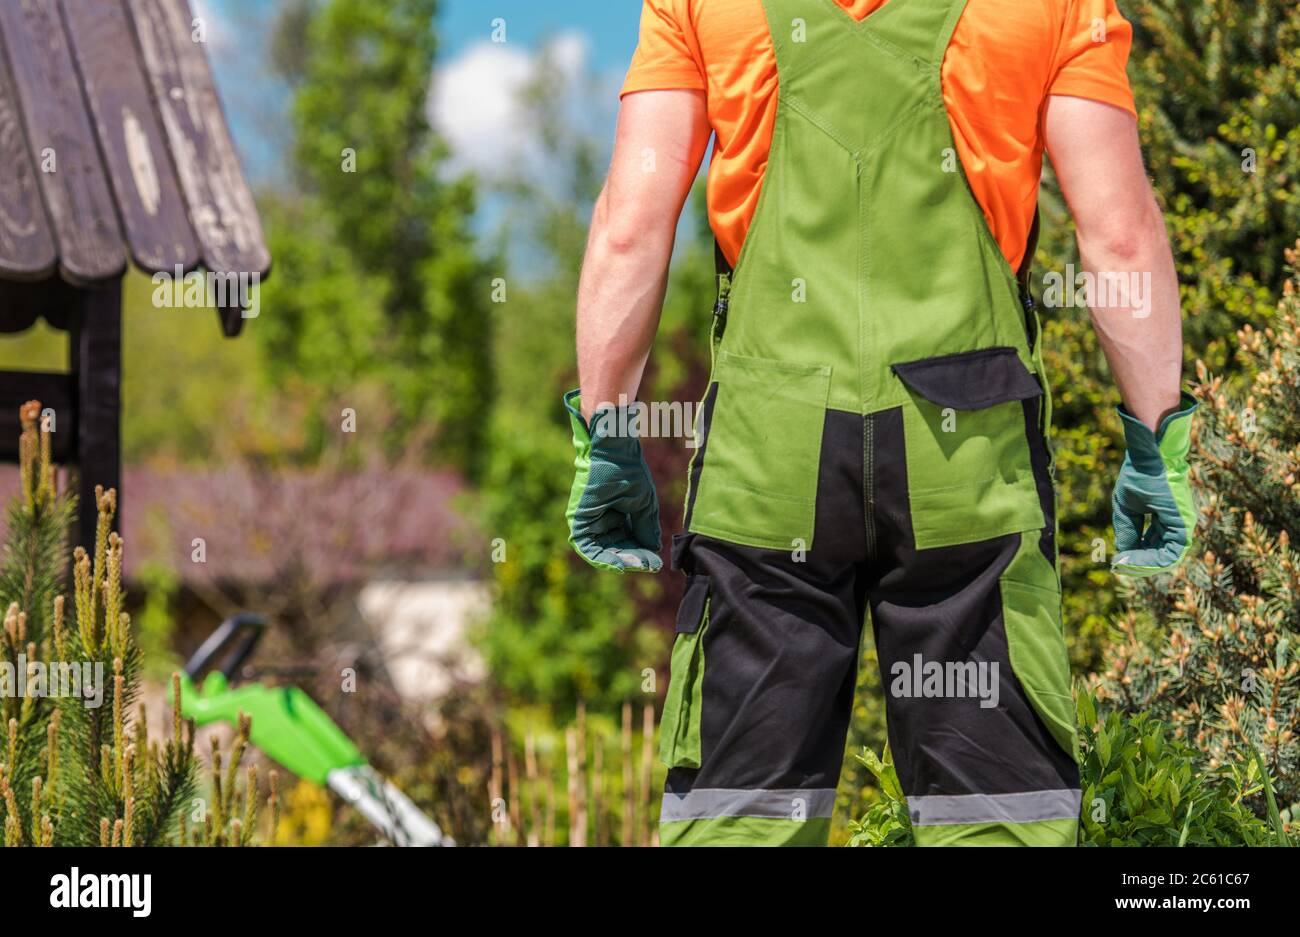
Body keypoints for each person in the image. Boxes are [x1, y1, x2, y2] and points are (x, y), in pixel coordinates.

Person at [564, 0, 1196, 846]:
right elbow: (1119, 238)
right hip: (965, 455)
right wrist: (1155, 445)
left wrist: (608, 439)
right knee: (995, 816)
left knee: (741, 817)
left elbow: (629, 228)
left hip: (771, 458)